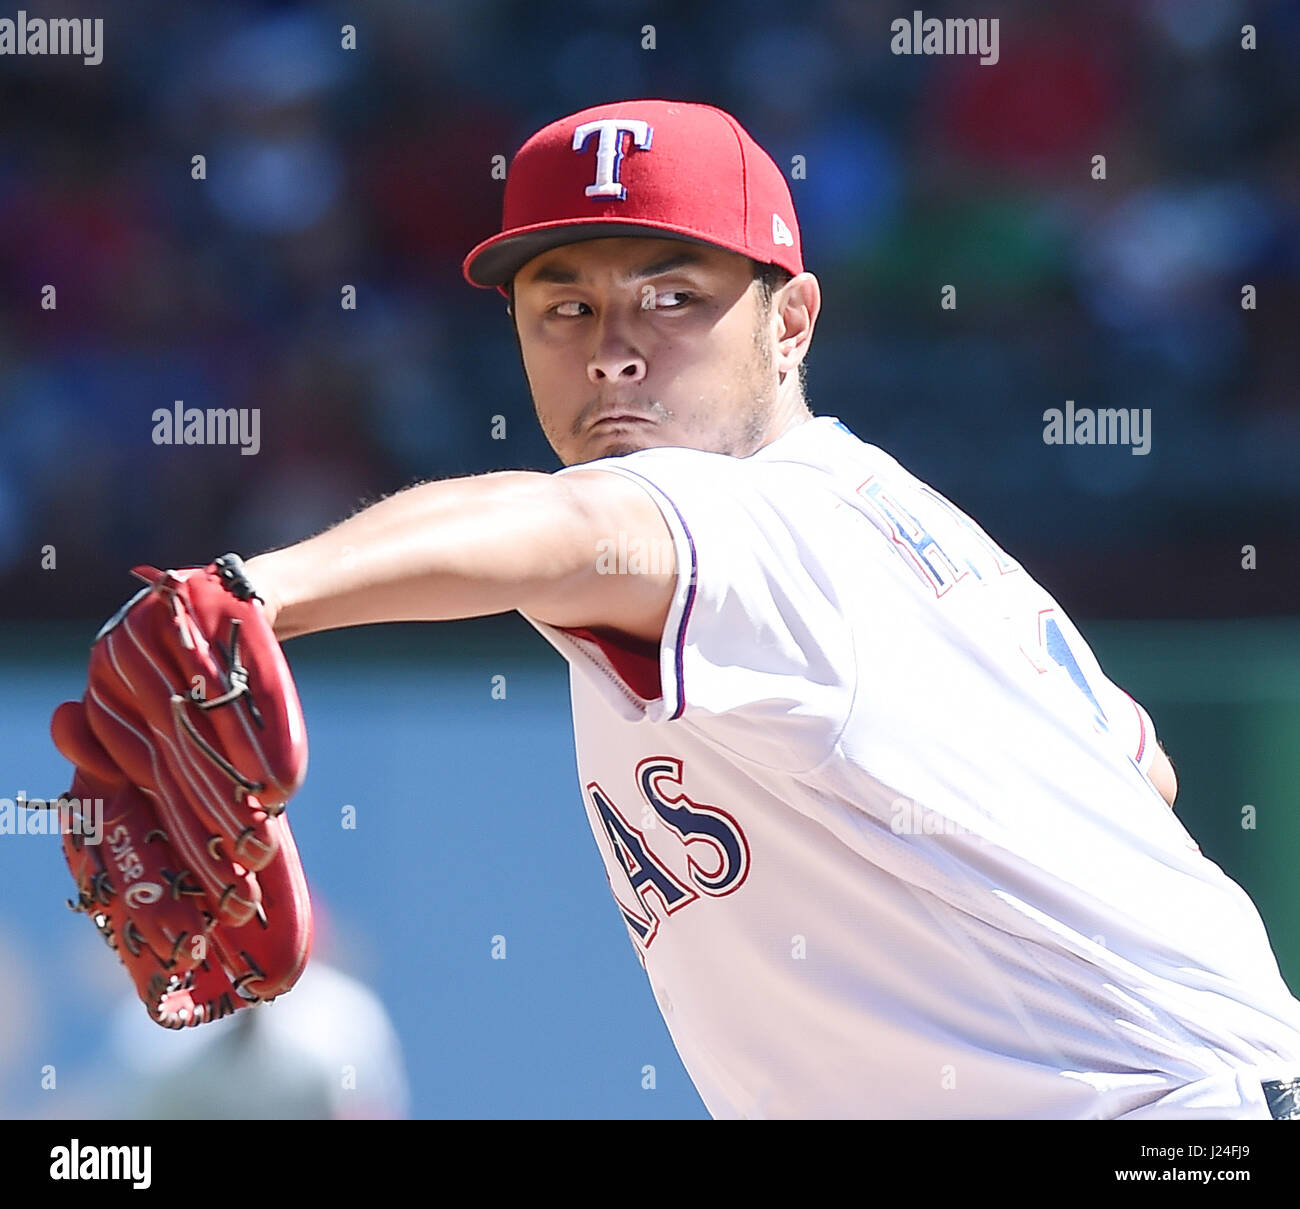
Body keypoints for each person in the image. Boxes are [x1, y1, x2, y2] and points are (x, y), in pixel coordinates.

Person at [242, 99, 1300, 1118]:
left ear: (789, 321)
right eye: (566, 309)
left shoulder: (761, 517)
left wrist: (255, 598)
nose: (612, 350)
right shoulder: (886, 521)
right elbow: (1142, 774)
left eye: (671, 299)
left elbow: (565, 524)